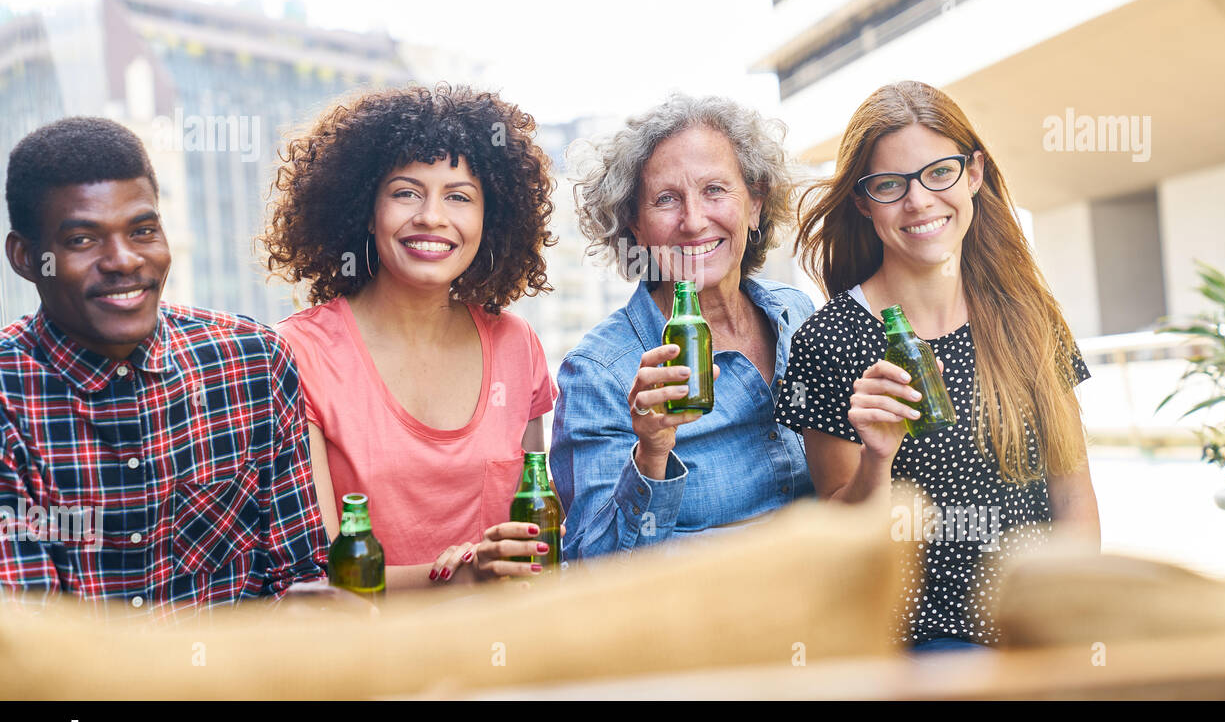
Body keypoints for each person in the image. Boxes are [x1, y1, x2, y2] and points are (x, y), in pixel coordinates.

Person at [775, 81, 1101, 650]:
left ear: (973, 173)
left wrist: (1078, 621)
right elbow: (841, 538)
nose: (919, 201)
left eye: (938, 173)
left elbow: (1073, 494)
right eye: (890, 186)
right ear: (862, 201)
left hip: (1040, 630)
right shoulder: (826, 342)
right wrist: (878, 457)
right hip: (919, 645)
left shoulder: (1029, 315)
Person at [0, 117, 327, 613]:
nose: (124, 260)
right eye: (83, 240)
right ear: (25, 258)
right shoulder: (8, 394)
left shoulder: (253, 363)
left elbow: (300, 579)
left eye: (143, 230)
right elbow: (29, 637)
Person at [264, 84, 559, 589]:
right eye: (405, 192)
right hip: (373, 657)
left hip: (510, 649)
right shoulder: (298, 354)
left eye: (459, 197)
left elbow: (538, 537)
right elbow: (319, 578)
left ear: (493, 219)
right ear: (364, 208)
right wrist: (457, 579)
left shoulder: (517, 346)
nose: (432, 216)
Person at [552, 94, 815, 558]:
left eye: (715, 190)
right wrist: (651, 454)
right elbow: (595, 573)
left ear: (755, 204)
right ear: (634, 224)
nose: (693, 222)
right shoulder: (598, 373)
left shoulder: (797, 314)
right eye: (666, 199)